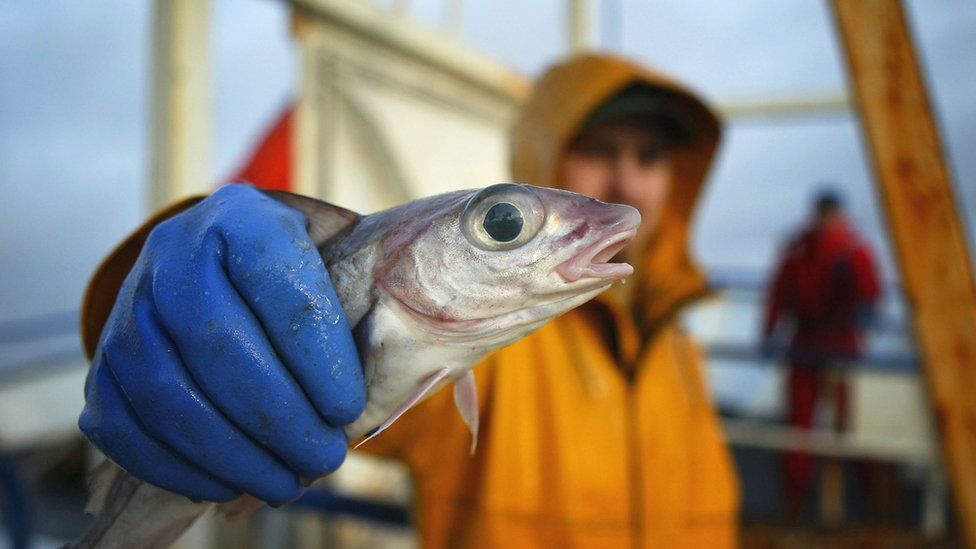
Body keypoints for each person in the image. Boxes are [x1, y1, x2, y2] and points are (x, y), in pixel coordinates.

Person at [79, 54, 739, 547]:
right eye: (598, 150)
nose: (625, 183)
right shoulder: (499, 345)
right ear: (547, 153)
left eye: (649, 156)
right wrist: (170, 300)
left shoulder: (681, 344)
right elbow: (250, 357)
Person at [762, 189, 882, 515]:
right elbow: (778, 293)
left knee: (852, 425)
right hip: (805, 343)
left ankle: (869, 497)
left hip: (842, 345)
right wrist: (769, 330)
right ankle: (796, 499)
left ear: (839, 215)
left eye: (831, 215)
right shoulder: (799, 251)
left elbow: (871, 293)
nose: (826, 222)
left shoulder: (854, 251)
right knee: (798, 427)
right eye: (822, 215)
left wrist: (864, 309)